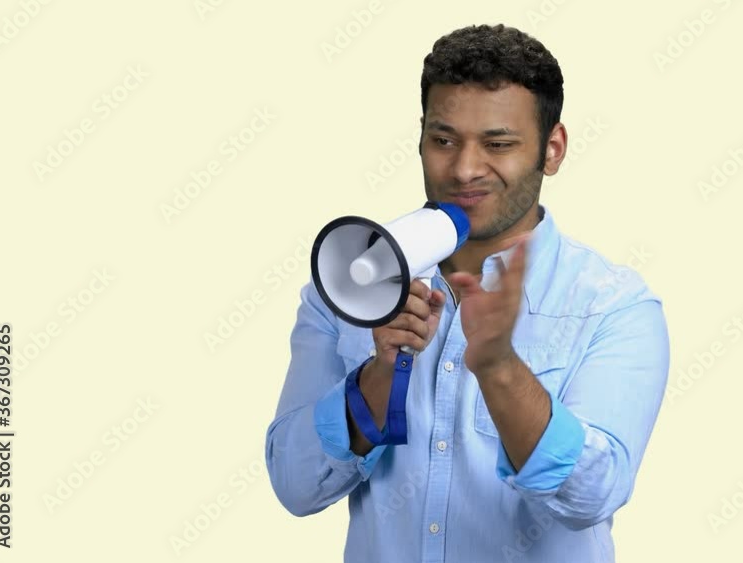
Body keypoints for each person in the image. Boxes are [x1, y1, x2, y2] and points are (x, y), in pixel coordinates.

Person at [265, 23, 670, 563]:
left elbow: (592, 497)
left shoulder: (612, 307)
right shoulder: (349, 284)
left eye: (498, 144)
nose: (463, 169)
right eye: (444, 140)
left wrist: (500, 369)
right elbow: (295, 485)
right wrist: (379, 377)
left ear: (552, 150)